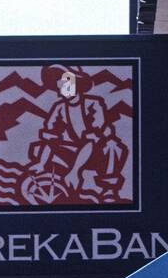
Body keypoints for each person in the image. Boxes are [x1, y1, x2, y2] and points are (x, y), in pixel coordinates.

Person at [25, 64, 127, 201]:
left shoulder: (94, 103)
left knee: (113, 146)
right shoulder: (59, 107)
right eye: (60, 85)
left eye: (67, 82)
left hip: (99, 152)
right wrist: (42, 163)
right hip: (78, 150)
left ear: (77, 84)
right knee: (39, 148)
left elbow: (92, 139)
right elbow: (51, 137)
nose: (62, 88)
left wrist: (74, 171)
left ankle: (109, 191)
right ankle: (62, 182)